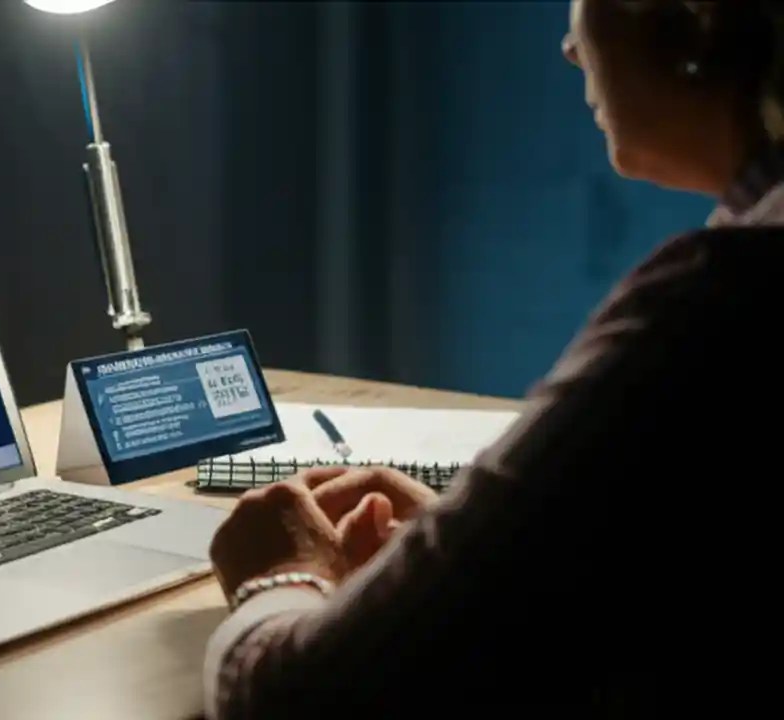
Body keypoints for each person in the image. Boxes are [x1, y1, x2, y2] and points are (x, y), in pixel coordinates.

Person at [203, 0, 783, 715]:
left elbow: (298, 696)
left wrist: (278, 578)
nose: (572, 48)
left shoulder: (716, 300)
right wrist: (480, 547)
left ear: (693, 19)